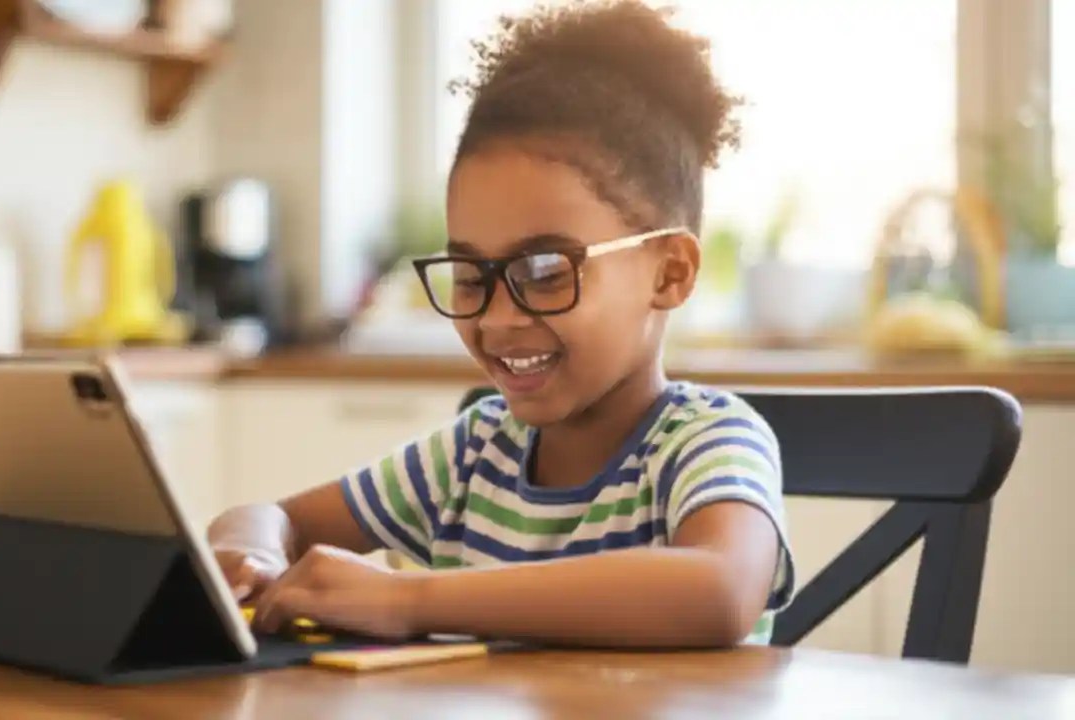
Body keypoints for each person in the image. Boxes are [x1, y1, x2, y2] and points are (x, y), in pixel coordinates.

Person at [208, 0, 795, 648]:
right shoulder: (470, 455)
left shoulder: (709, 442)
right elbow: (272, 518)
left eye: (545, 271)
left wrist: (409, 599)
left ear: (670, 274)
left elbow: (717, 591)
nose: (497, 317)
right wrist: (251, 553)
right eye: (470, 276)